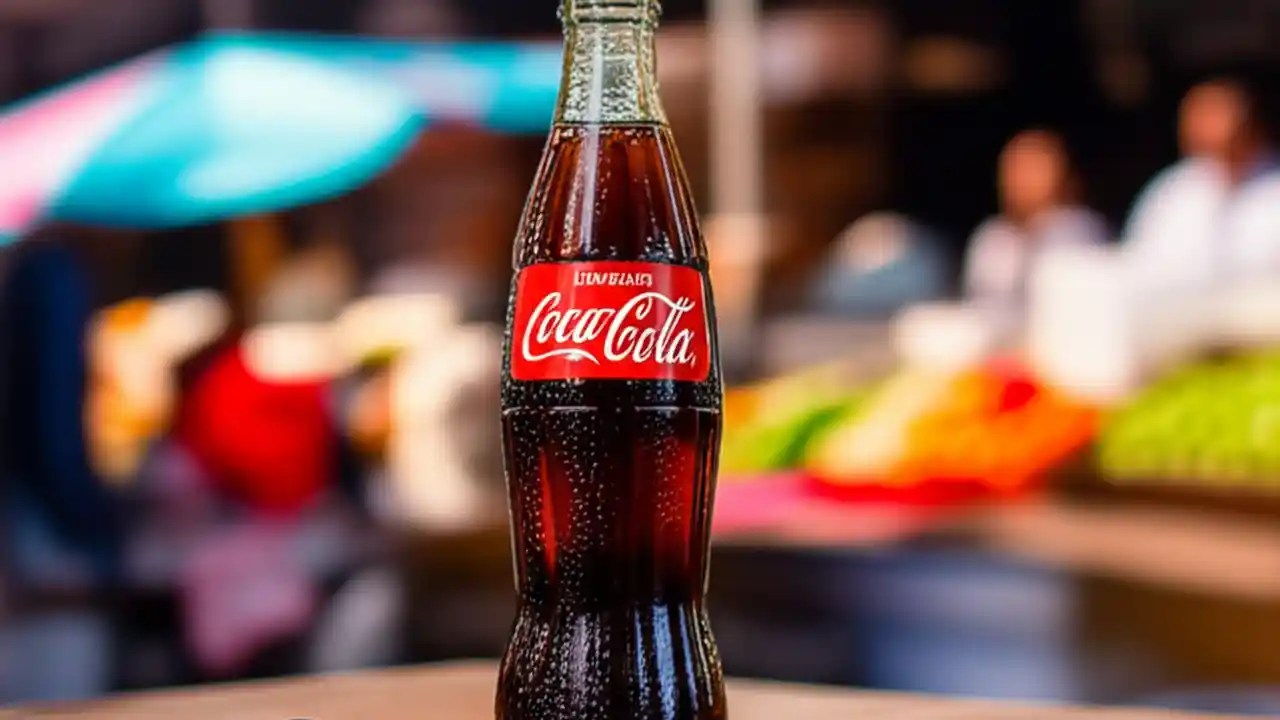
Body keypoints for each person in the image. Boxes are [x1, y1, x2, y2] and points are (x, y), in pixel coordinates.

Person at [1122, 79, 1277, 291]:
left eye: (1214, 114)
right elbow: (1140, 260)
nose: (1203, 127)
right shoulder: (1174, 189)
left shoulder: (1274, 187)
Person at [964, 129, 1109, 311]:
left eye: (1032, 168)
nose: (1021, 179)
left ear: (1059, 172)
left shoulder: (1082, 230)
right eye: (1014, 168)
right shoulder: (990, 238)